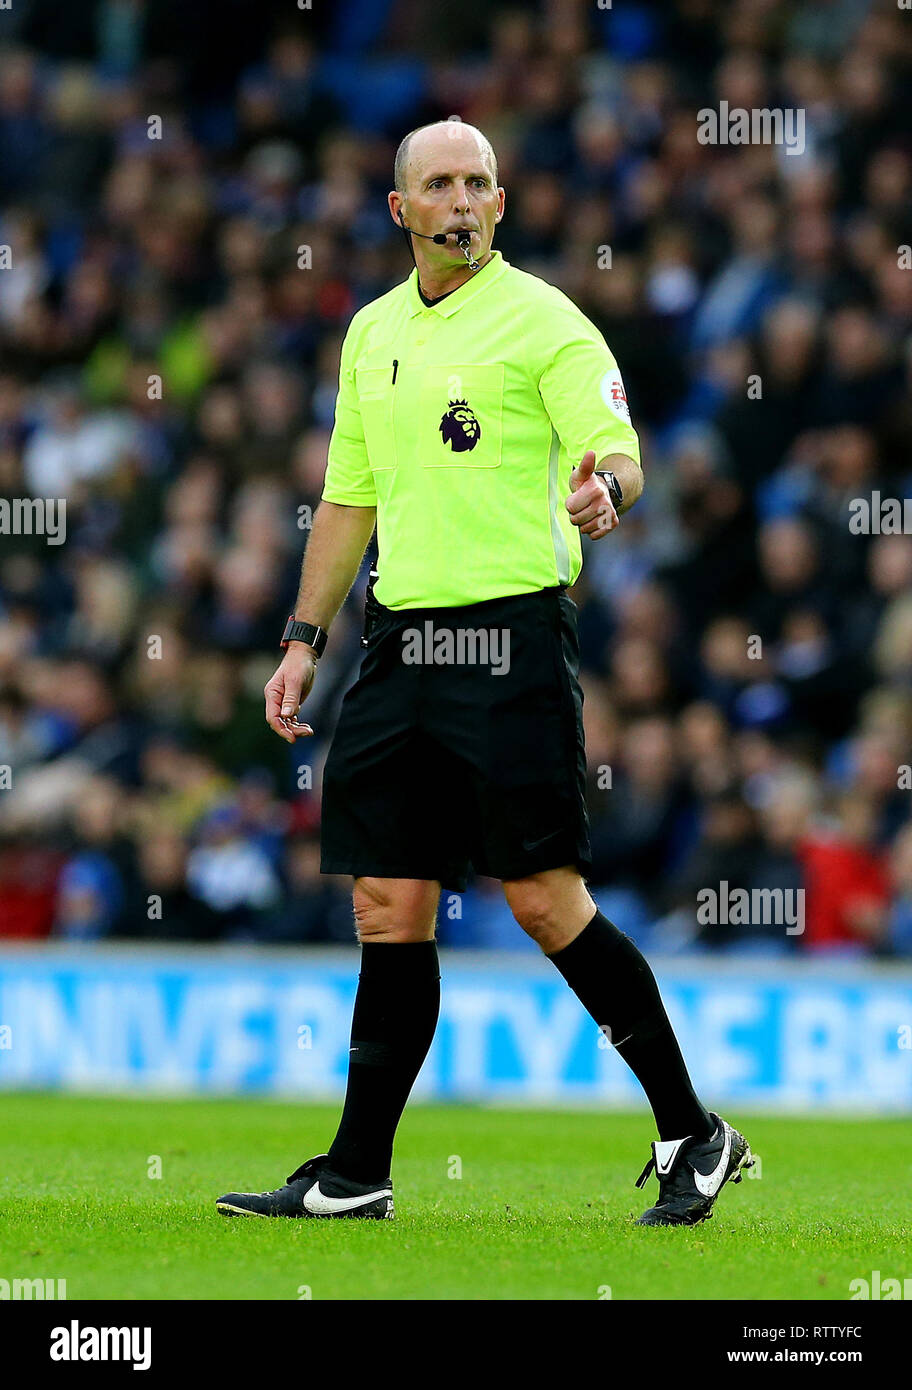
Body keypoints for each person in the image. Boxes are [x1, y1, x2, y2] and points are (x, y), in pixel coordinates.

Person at [216, 120, 752, 1227]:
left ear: (500, 205)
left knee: (545, 900)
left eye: (478, 183)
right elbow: (349, 500)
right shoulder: (370, 334)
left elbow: (618, 449)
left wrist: (609, 488)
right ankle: (360, 1169)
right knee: (387, 900)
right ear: (400, 209)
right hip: (398, 644)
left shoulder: (545, 319)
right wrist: (302, 639)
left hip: (508, 642)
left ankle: (693, 1131)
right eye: (438, 184)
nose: (459, 201)